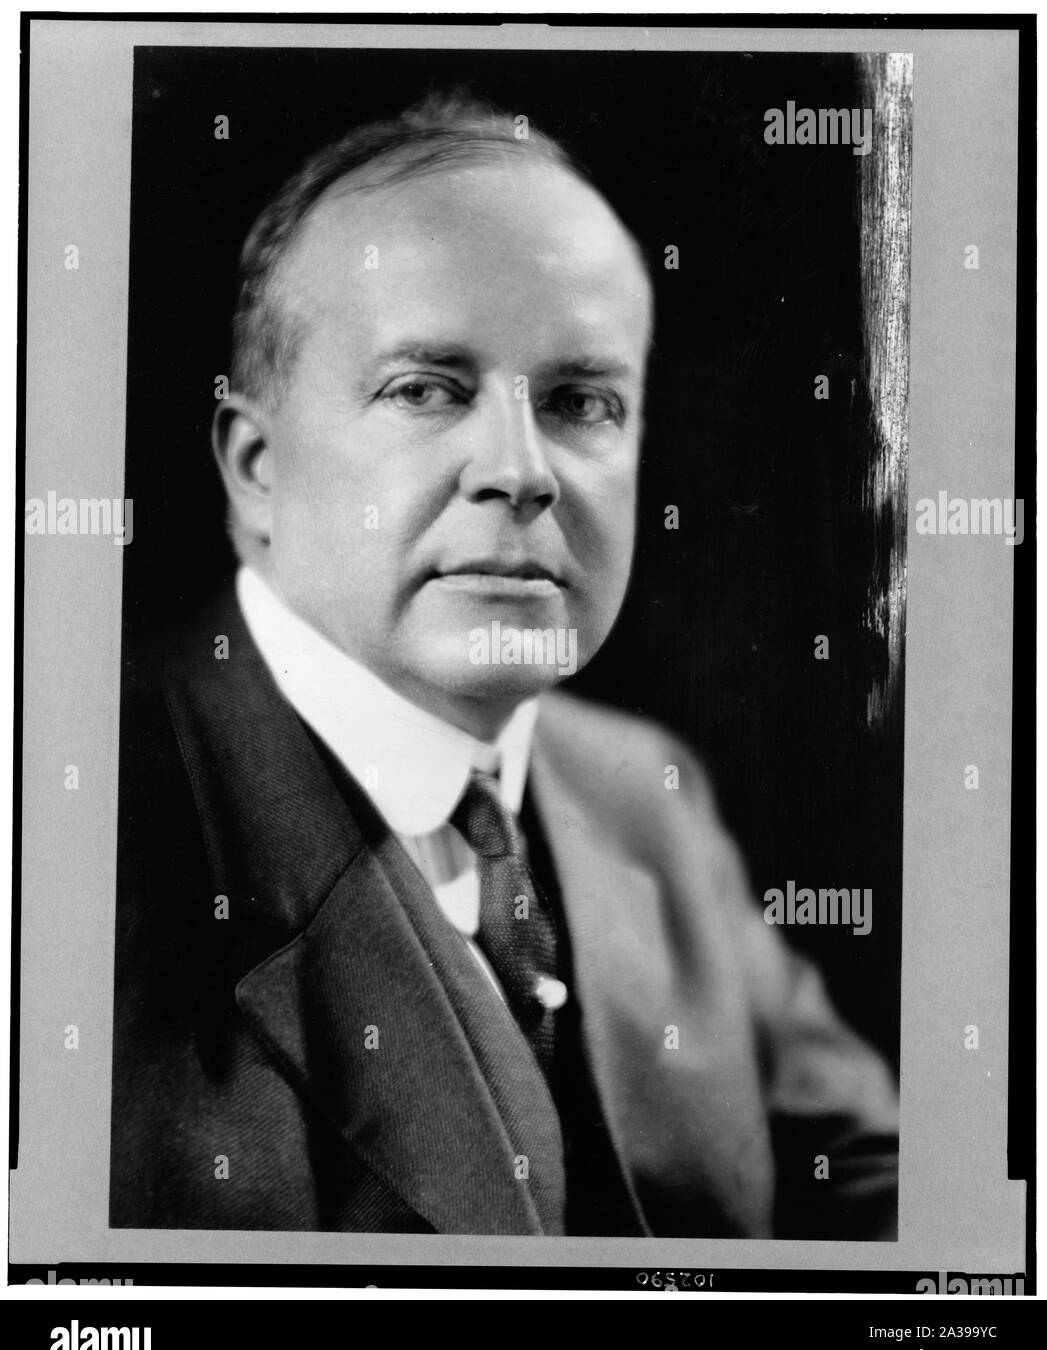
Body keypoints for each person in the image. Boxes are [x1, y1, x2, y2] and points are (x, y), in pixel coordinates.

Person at [110, 93, 898, 1237]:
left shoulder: (641, 791)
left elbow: (890, 1196)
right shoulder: (92, 852)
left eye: (584, 401)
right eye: (427, 389)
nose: (522, 471)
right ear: (255, 467)